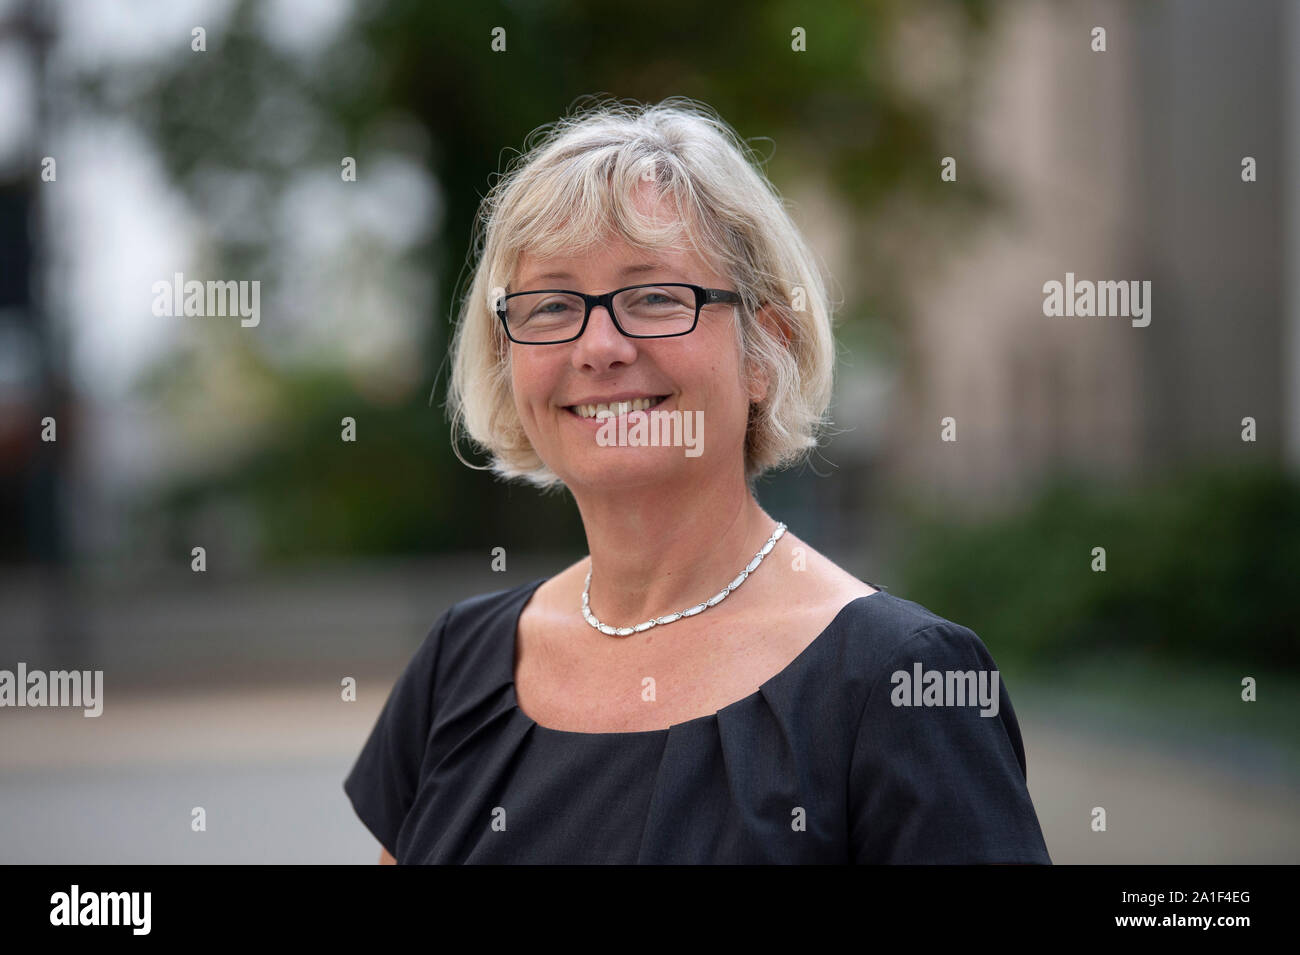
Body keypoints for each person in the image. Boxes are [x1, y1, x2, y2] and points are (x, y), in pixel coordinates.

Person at [343, 96, 1051, 864]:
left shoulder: (900, 681)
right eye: (551, 305)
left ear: (763, 348)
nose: (599, 346)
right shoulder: (460, 665)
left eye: (652, 297)